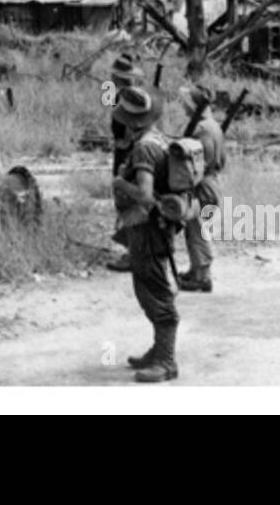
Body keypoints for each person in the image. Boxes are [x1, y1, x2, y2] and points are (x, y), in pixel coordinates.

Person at [111, 85, 182, 383]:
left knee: (154, 290)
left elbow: (144, 193)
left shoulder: (143, 148)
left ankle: (166, 361)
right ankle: (158, 350)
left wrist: (119, 184)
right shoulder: (159, 139)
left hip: (149, 228)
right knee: (147, 287)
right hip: (151, 227)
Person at [176, 84, 226, 293]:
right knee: (195, 228)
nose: (183, 107)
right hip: (211, 182)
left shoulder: (201, 130)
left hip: (202, 185)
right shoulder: (213, 126)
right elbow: (221, 159)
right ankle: (196, 270)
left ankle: (202, 278)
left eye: (186, 103)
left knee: (197, 229)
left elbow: (195, 164)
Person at [105, 53, 147, 273]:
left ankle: (133, 252)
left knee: (127, 199)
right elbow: (107, 103)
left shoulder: (130, 98)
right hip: (127, 148)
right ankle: (134, 248)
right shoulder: (124, 93)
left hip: (127, 150)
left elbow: (126, 127)